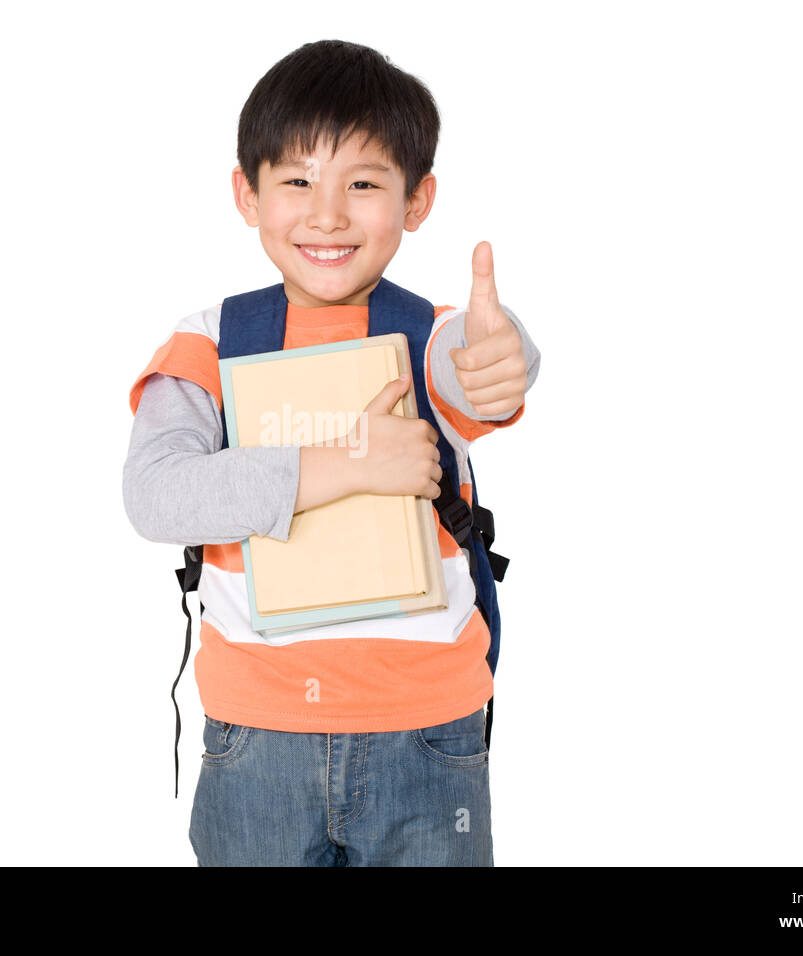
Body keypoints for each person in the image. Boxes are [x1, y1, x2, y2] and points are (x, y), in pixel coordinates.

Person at [122, 39, 541, 866]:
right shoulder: (210, 342)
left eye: (363, 183)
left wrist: (510, 355)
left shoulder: (430, 337)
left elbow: (482, 362)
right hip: (258, 738)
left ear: (416, 200)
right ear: (247, 193)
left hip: (428, 734)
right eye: (296, 181)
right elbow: (157, 496)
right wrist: (346, 464)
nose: (327, 214)